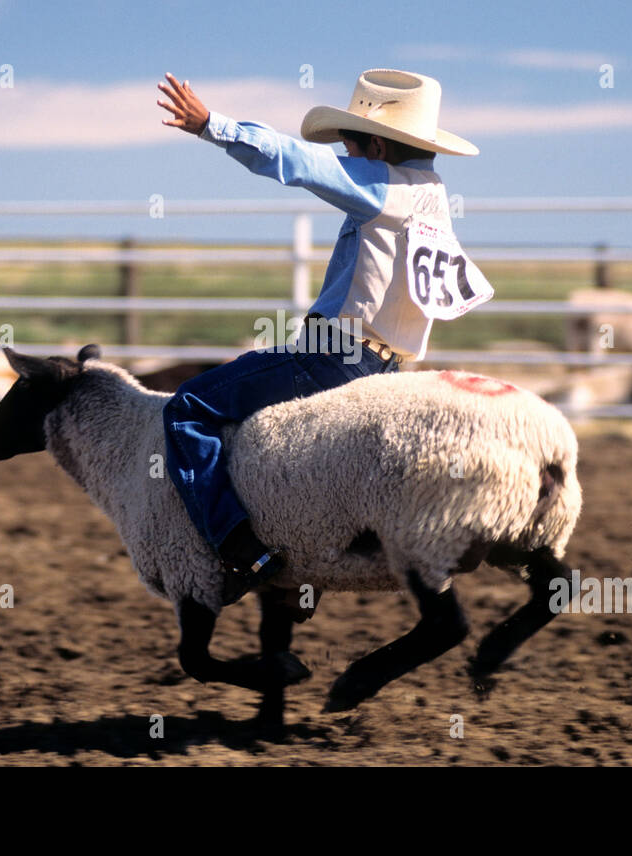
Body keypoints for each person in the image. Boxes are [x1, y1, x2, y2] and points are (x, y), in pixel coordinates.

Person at [155, 68, 492, 603]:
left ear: (377, 146)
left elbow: (297, 161)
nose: (344, 157)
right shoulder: (431, 193)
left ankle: (241, 549)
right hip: (388, 367)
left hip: (333, 356)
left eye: (350, 147)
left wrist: (211, 125)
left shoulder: (381, 187)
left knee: (187, 408)